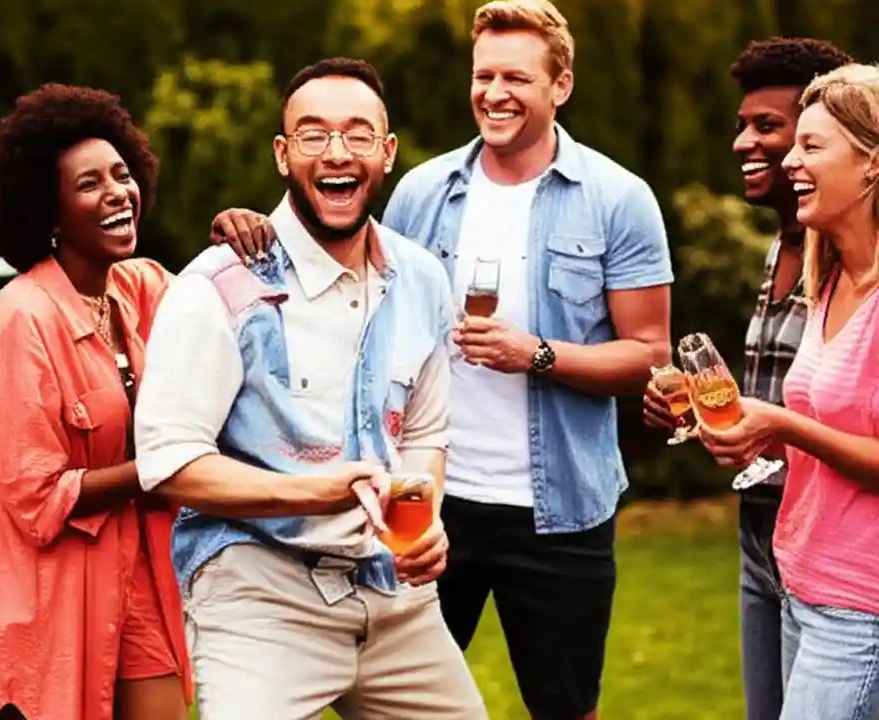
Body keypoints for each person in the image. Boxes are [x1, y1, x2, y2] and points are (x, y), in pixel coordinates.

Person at [209, 3, 673, 718]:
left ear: (563, 85)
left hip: (562, 515)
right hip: (429, 502)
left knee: (566, 706)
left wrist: (538, 354)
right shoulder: (423, 191)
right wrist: (250, 226)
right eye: (483, 75)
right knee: (397, 702)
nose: (494, 93)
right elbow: (341, 282)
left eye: (516, 77)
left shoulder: (618, 199)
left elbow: (648, 355)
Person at [135, 57, 488, 720]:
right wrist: (316, 491)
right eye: (313, 134)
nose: (336, 152)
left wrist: (426, 518)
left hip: (393, 600)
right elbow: (168, 463)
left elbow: (422, 433)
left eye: (357, 135)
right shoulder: (217, 289)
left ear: (386, 153)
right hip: (259, 597)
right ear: (282, 154)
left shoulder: (421, 281)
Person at [642, 37, 853, 720]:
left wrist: (774, 429)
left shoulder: (849, 267)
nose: (746, 143)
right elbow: (777, 406)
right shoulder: (785, 250)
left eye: (770, 126)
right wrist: (700, 411)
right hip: (764, 531)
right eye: (742, 125)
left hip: (836, 553)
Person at [0, 83, 190, 720]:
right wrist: (158, 471)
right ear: (50, 211)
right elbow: (36, 497)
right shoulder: (20, 321)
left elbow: (224, 311)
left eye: (122, 174)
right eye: (89, 184)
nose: (118, 192)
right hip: (57, 598)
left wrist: (246, 232)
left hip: (139, 579)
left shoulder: (137, 287)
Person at [699, 63, 879, 720]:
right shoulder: (825, 280)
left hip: (861, 608)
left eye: (812, 146)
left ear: (870, 164)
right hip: (801, 580)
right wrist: (758, 434)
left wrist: (780, 424)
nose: (790, 162)